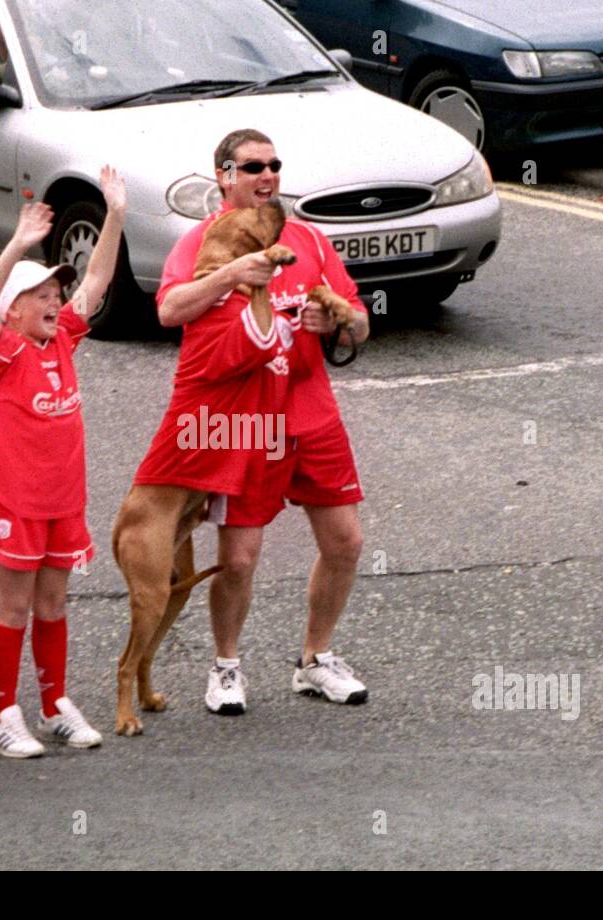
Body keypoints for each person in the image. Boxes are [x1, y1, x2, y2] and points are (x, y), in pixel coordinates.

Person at [157, 129, 371, 715]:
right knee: (240, 558)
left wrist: (338, 324)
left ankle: (315, 661)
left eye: (274, 165)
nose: (267, 176)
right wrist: (233, 274)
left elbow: (359, 319)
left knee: (346, 542)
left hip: (312, 413)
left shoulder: (305, 238)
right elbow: (170, 308)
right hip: (247, 423)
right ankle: (226, 667)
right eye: (253, 167)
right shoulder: (203, 241)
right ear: (224, 176)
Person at [0, 167, 125, 757]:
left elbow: (100, 279)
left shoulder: (60, 340)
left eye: (57, 295)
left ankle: (54, 702)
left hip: (64, 501)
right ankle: (1, 714)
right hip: (16, 502)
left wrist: (115, 214)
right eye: (42, 297)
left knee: (54, 604)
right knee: (14, 606)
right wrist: (17, 245)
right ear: (14, 312)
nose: (57, 303)